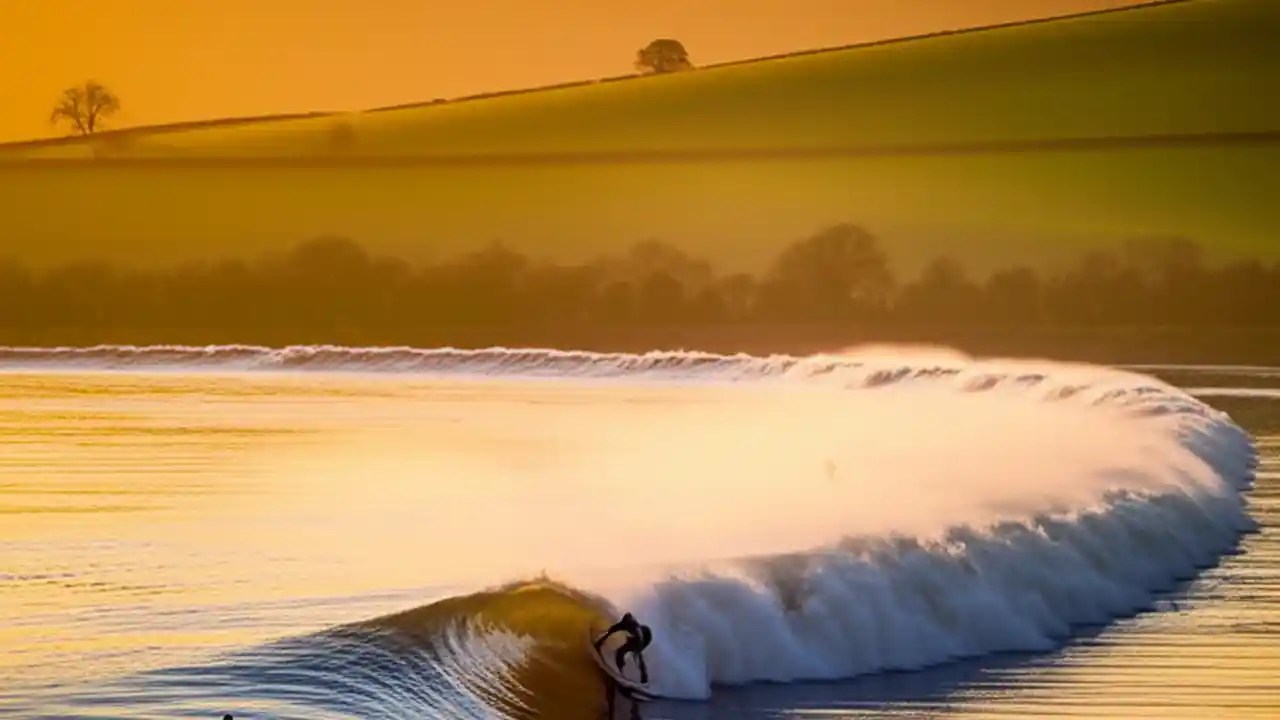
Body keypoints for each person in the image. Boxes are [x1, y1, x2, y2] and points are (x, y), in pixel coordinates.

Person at [594, 612, 652, 684]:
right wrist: (599, 642)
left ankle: (644, 678)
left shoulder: (636, 632)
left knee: (635, 654)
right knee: (621, 651)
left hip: (646, 637)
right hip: (638, 633)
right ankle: (621, 672)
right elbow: (610, 632)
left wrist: (643, 675)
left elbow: (639, 653)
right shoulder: (623, 624)